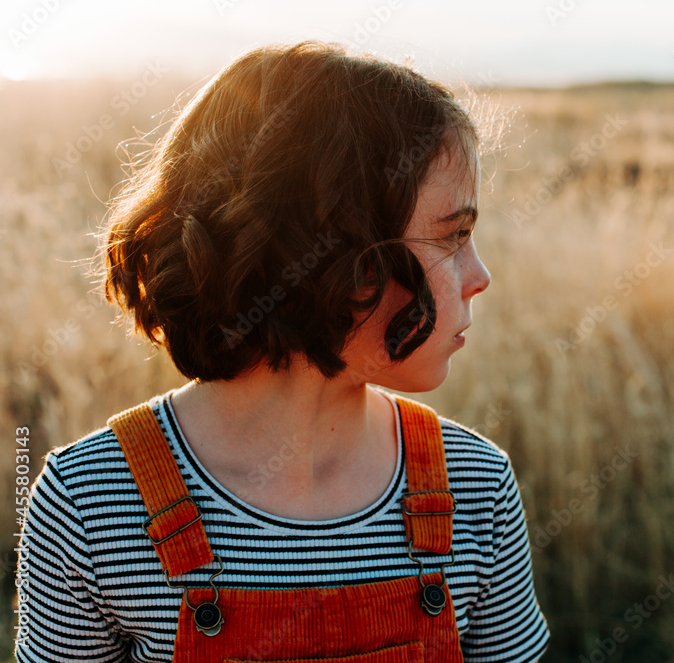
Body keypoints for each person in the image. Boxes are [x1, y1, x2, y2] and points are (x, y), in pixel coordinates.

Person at [15, 40, 550, 662]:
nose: (479, 273)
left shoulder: (474, 486)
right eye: (453, 236)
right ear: (332, 257)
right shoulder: (92, 502)